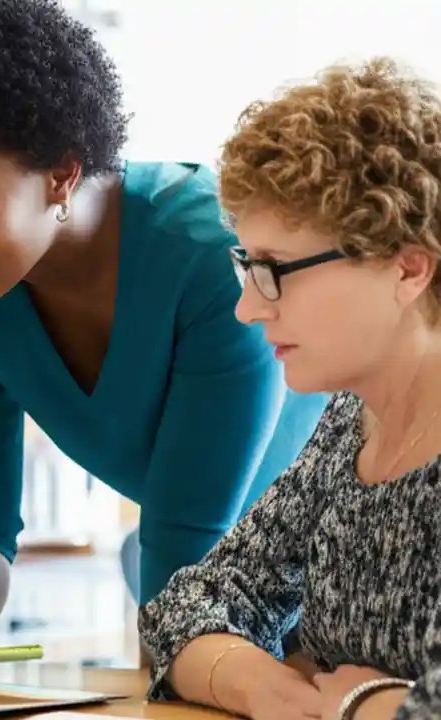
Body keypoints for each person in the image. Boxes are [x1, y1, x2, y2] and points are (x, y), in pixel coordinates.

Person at [0, 0, 330, 679]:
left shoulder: (212, 262)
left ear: (60, 175)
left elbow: (188, 549)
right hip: (205, 591)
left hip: (347, 574)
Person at [140, 57, 441, 720]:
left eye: (275, 270)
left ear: (408, 267)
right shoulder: (347, 425)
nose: (248, 308)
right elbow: (187, 604)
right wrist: (258, 684)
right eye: (246, 265)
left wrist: (361, 704)